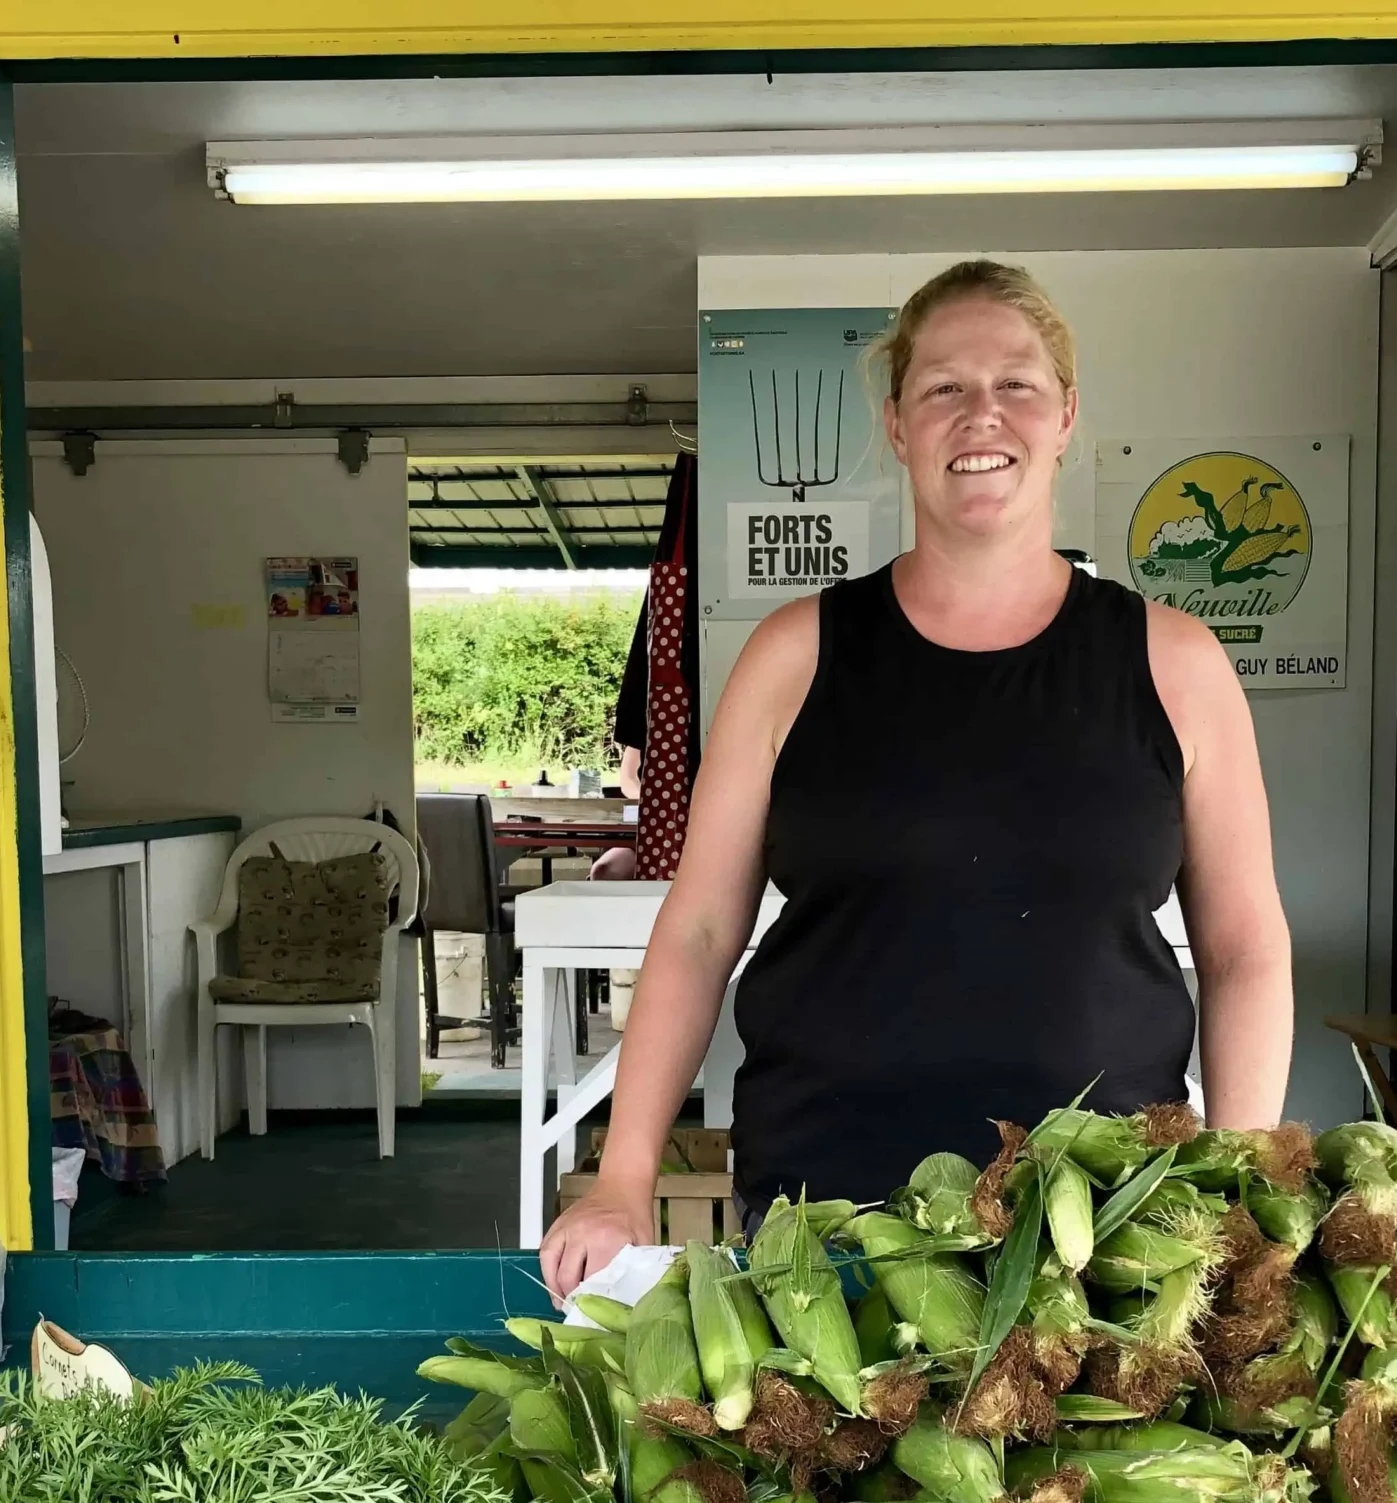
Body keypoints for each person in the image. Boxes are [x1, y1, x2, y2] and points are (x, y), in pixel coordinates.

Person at [542, 260, 1293, 1295]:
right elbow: (701, 928)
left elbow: (1245, 945)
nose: (981, 413)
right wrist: (624, 1172)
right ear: (898, 425)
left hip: (1108, 1225)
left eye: (1016, 384)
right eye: (943, 386)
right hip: (829, 1218)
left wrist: (1245, 1178)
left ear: (1065, 415)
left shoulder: (1176, 663)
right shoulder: (792, 656)